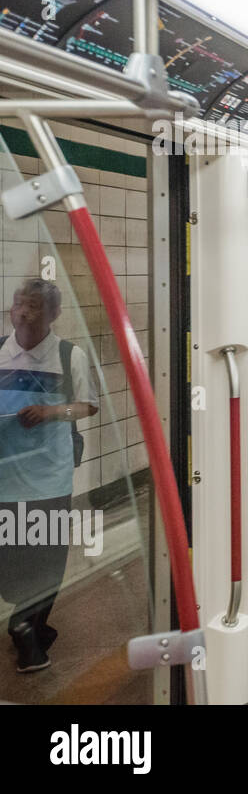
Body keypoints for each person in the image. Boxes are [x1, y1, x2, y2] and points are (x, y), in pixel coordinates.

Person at [0, 279, 99, 673]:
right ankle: (27, 623)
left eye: (34, 307)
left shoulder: (68, 355)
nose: (23, 313)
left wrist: (52, 412)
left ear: (54, 314)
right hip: (5, 476)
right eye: (18, 304)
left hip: (48, 478)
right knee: (11, 555)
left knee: (46, 560)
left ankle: (27, 630)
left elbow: (88, 407)